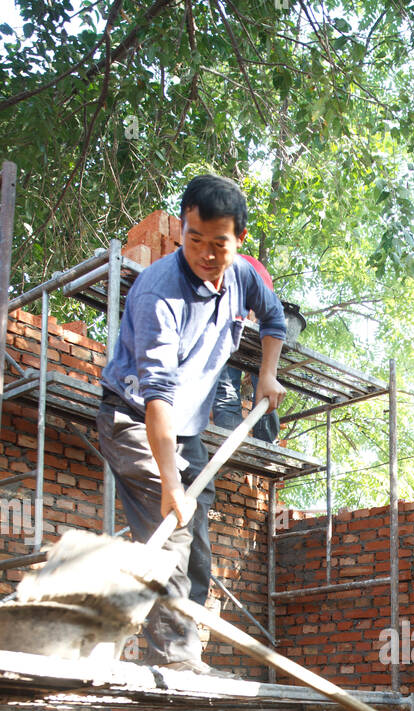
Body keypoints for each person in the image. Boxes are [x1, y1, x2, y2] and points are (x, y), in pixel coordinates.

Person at [97, 174, 287, 672]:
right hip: (135, 420)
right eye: (193, 238)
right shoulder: (158, 294)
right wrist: (168, 482)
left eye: (217, 244)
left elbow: (274, 320)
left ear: (238, 240)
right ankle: (172, 654)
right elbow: (157, 397)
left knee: (196, 536)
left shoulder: (244, 275)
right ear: (182, 229)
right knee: (173, 525)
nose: (204, 253)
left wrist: (267, 376)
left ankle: (181, 643)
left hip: (187, 430)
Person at [211, 251, 281, 446]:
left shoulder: (241, 272)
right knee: (259, 389)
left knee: (228, 391)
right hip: (245, 325)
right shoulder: (244, 271)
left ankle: (236, 449)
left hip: (237, 323)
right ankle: (265, 447)